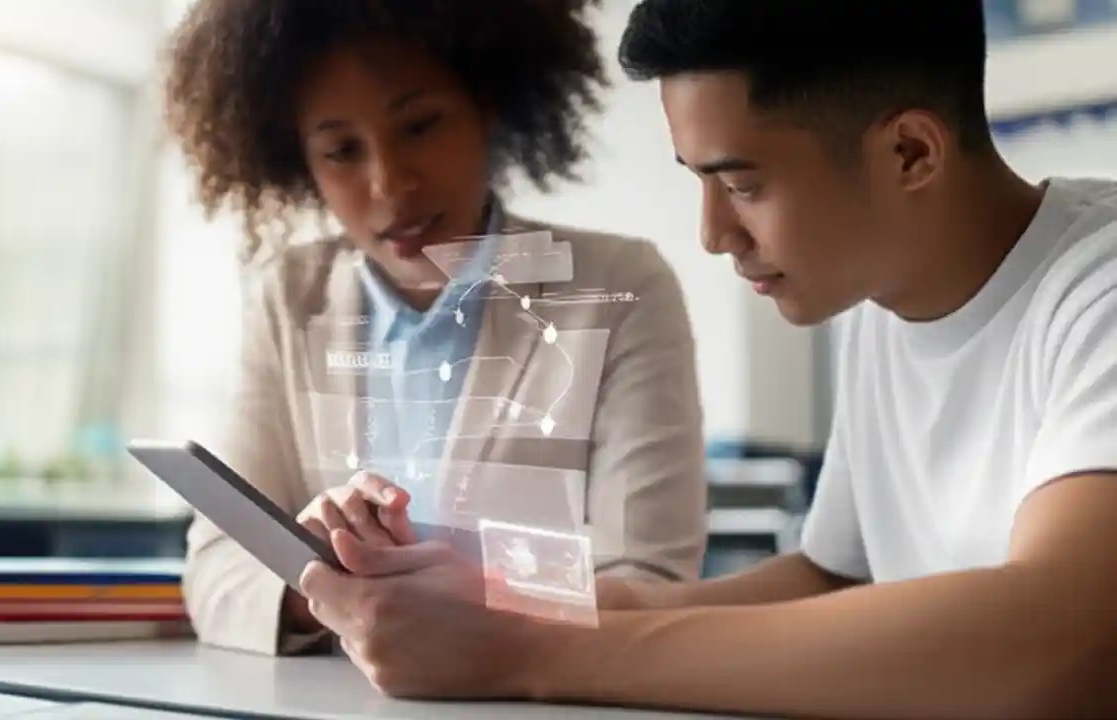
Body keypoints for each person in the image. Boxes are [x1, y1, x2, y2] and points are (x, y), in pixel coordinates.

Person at [295, 2, 1117, 717]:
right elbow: (837, 582)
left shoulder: (1098, 286)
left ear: (910, 153)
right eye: (698, 181)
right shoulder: (879, 301)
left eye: (744, 185)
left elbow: (1062, 640)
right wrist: (518, 594)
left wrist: (526, 654)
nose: (713, 234)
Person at [162, 0, 709, 656]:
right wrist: (319, 583)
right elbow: (218, 570)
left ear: (488, 106)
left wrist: (455, 591)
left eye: (419, 126)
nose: (390, 183)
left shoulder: (621, 286)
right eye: (341, 151)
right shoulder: (289, 298)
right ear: (297, 162)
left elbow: (649, 576)